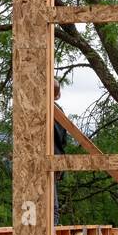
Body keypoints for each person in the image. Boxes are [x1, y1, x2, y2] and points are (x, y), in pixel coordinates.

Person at [53, 79, 69, 225]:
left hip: (48, 161)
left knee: (50, 205)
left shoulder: (37, 111)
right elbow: (64, 140)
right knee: (52, 206)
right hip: (54, 160)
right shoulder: (59, 112)